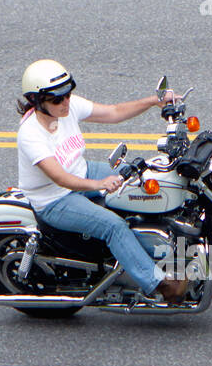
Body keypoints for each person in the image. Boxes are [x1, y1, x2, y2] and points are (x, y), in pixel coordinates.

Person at [15, 59, 188, 303]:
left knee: (145, 178)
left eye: (67, 93)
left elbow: (114, 112)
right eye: (57, 99)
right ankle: (160, 284)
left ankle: (168, 242)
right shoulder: (31, 134)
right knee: (113, 226)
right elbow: (60, 177)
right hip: (55, 199)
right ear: (36, 101)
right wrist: (100, 185)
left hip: (83, 172)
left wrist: (153, 101)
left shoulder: (68, 107)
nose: (65, 101)